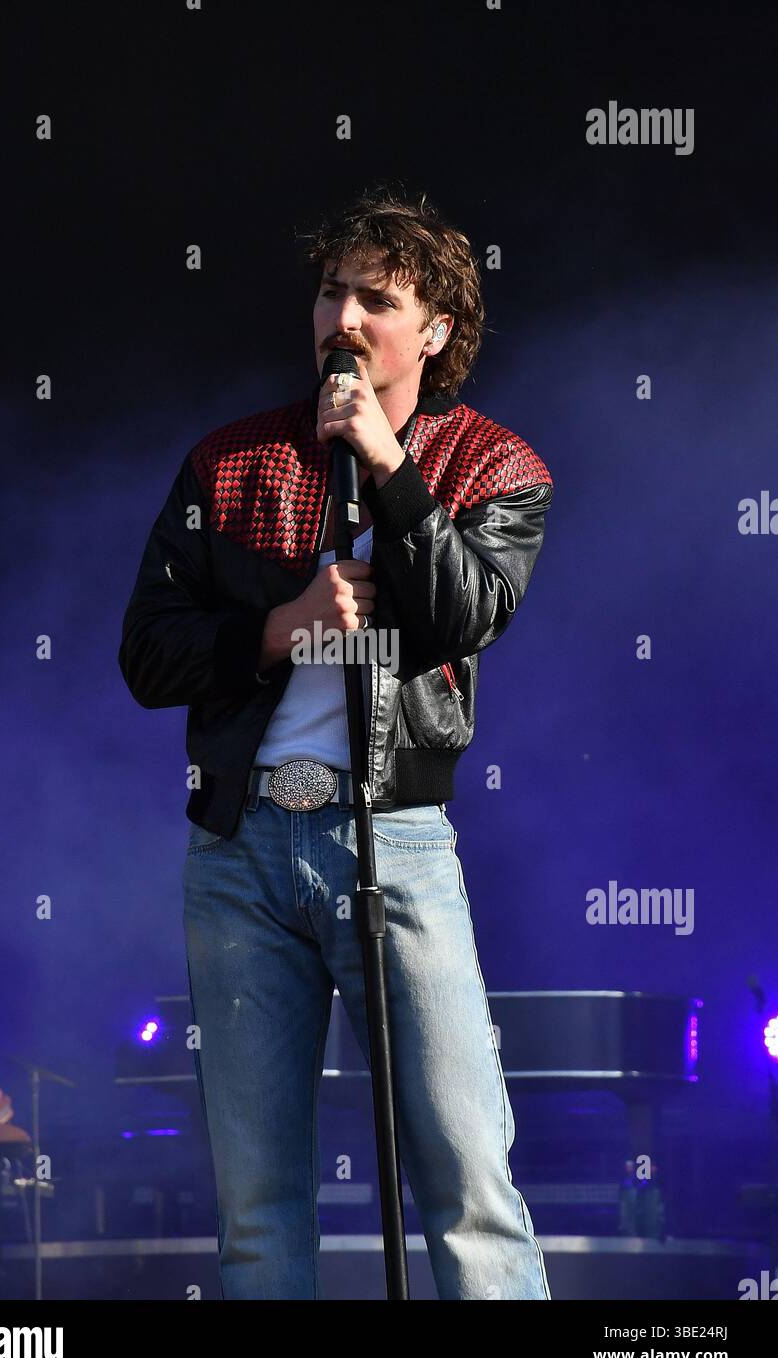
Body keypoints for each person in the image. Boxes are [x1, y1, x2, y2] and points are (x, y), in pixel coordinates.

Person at [118, 185, 554, 1300]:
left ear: (435, 331)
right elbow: (145, 653)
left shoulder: (494, 466)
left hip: (393, 845)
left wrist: (388, 469)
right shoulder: (228, 461)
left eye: (376, 296)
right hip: (241, 853)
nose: (343, 317)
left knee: (466, 1183)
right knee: (257, 1206)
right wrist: (280, 626)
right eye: (329, 291)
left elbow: (464, 616)